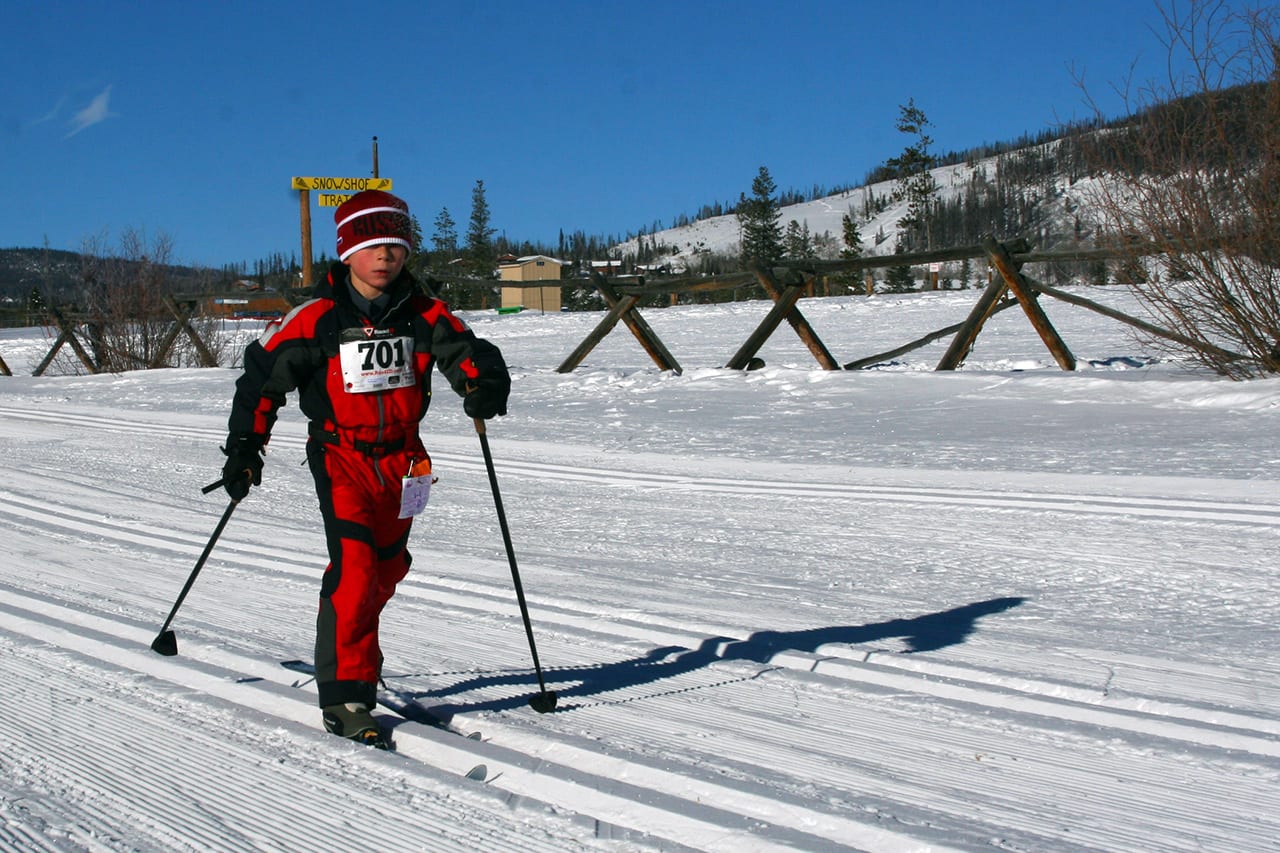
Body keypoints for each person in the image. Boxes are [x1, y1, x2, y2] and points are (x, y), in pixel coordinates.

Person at [221, 189, 510, 748]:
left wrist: (483, 383)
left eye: (395, 247)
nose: (385, 257)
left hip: (404, 462)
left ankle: (354, 641)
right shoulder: (317, 319)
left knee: (385, 567)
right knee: (354, 569)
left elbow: (466, 352)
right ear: (347, 253)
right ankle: (347, 693)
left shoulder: (424, 314)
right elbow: (261, 379)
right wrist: (244, 449)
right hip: (341, 457)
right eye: (371, 246)